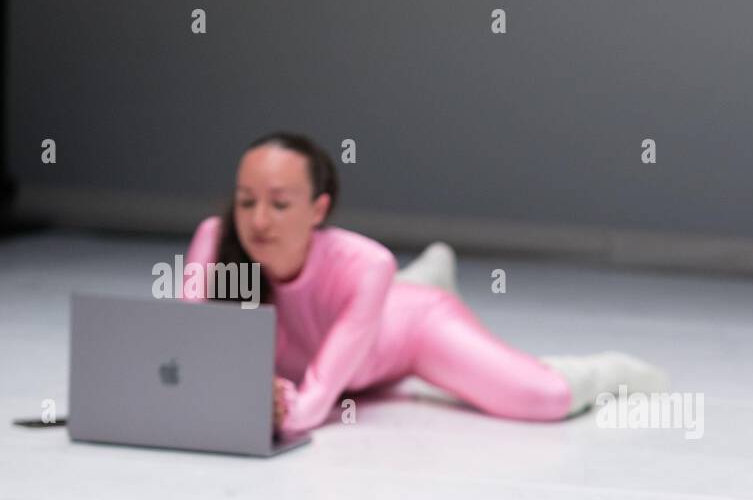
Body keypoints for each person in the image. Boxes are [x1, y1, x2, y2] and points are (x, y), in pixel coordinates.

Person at [180, 132, 667, 437]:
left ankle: (613, 369)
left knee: (539, 399)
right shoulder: (215, 240)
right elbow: (184, 350)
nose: (258, 220)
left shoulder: (366, 262)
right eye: (246, 201)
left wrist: (277, 406)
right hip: (351, 348)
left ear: (319, 209)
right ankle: (426, 273)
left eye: (280, 204)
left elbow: (312, 403)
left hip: (409, 332)